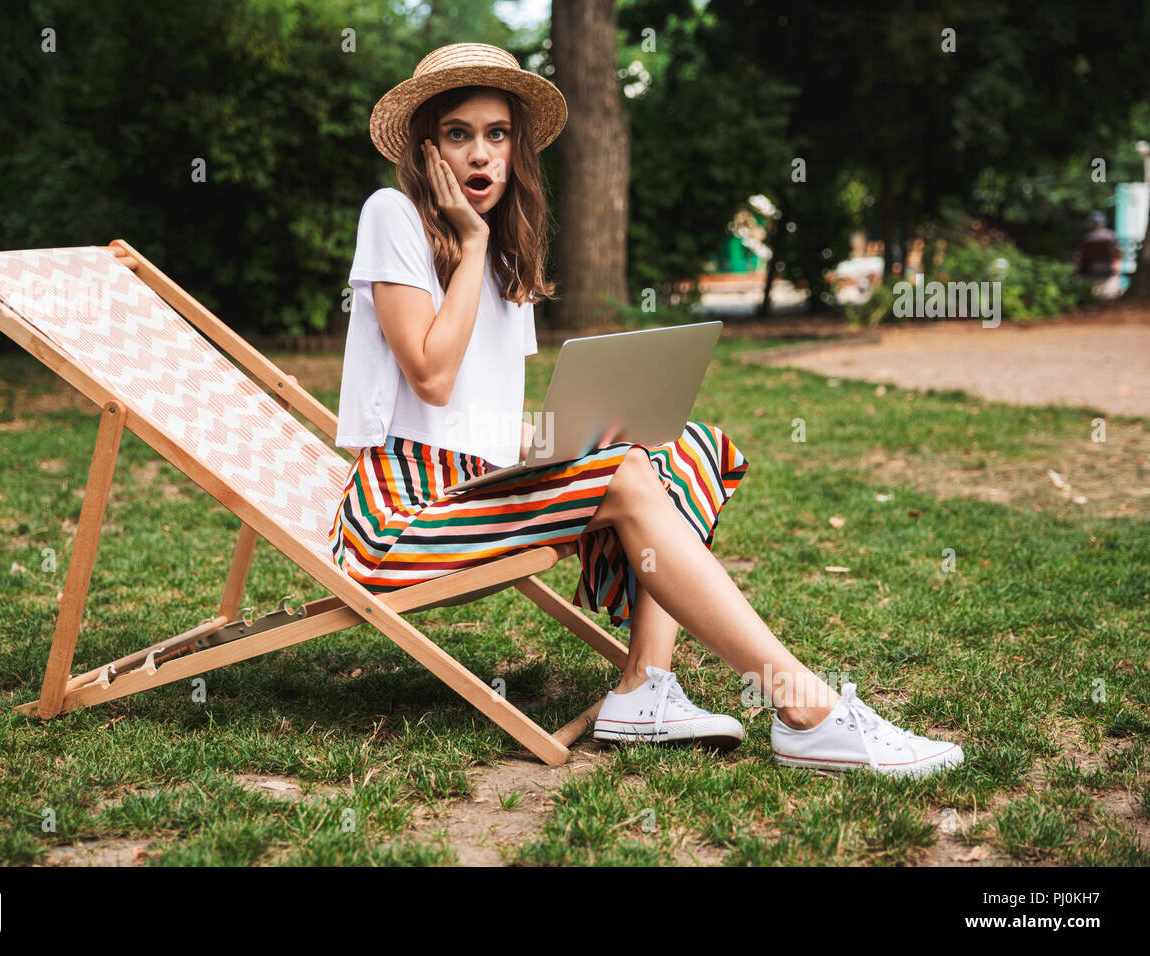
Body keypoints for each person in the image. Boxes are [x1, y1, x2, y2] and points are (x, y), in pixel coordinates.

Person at [328, 43, 964, 778]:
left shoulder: (507, 252)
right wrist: (469, 245)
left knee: (679, 445)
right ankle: (806, 709)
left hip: (481, 485)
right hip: (401, 515)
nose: (482, 154)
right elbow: (433, 380)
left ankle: (642, 688)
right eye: (459, 134)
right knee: (630, 476)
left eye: (498, 133)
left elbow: (483, 411)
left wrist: (562, 436)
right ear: (426, 147)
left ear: (517, 147)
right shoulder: (394, 216)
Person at [1076, 211, 1123, 299]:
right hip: (1109, 270)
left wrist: (1080, 270)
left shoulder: (1087, 238)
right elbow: (1118, 254)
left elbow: (1082, 258)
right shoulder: (1111, 236)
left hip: (1092, 271)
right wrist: (1116, 267)